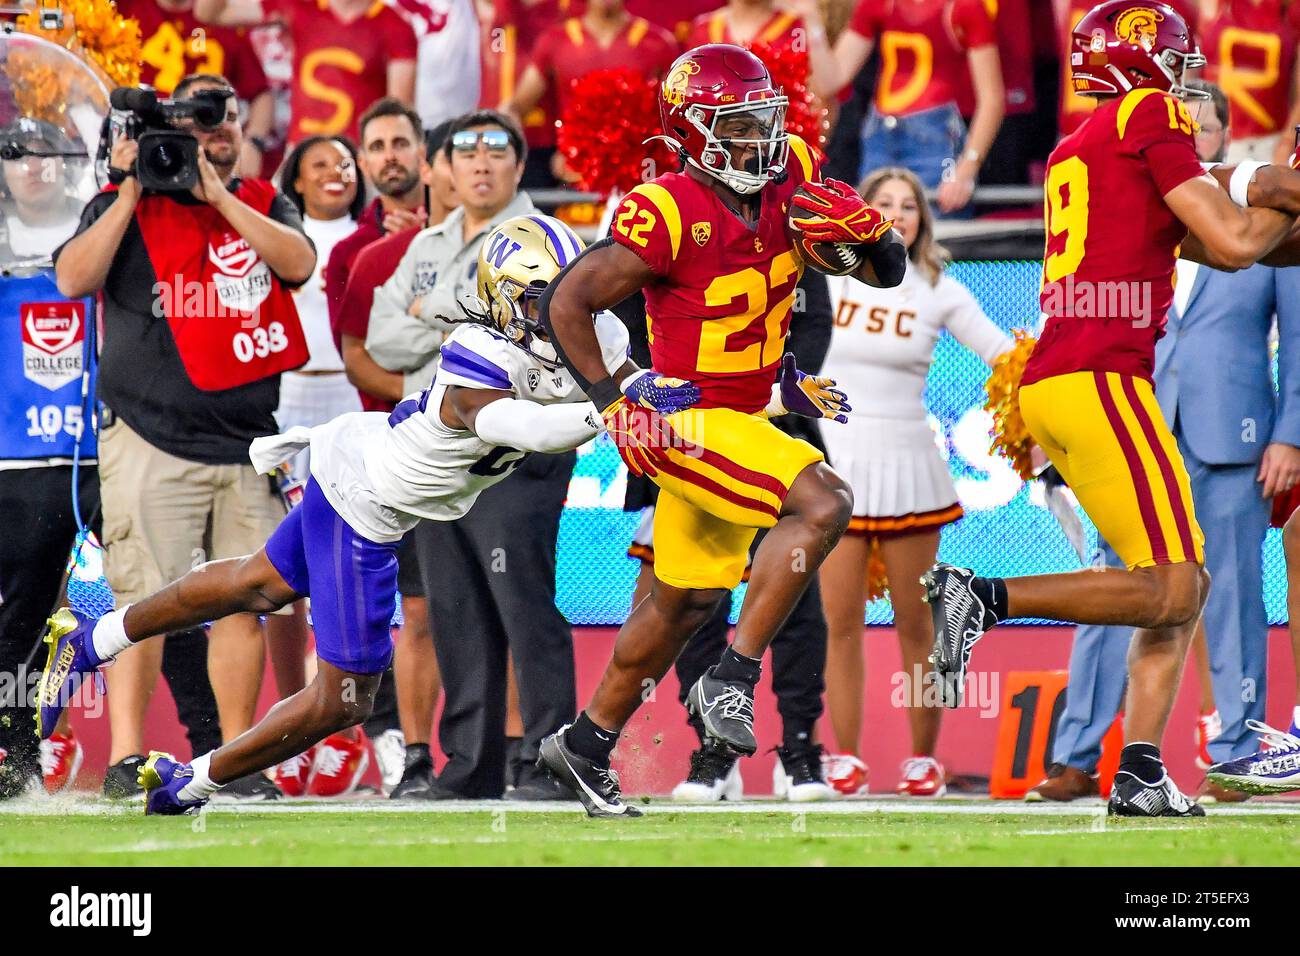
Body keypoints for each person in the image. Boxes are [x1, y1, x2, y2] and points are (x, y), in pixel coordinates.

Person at [35, 215, 632, 815]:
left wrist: (655, 390)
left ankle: (95, 637)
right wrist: (617, 404)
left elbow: (638, 381)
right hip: (368, 502)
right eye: (544, 297)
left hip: (368, 464)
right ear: (504, 298)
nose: (564, 308)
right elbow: (534, 427)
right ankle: (187, 785)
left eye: (572, 289)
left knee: (258, 583)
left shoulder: (596, 330)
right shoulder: (478, 352)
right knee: (342, 699)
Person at [921, 1, 1300, 818]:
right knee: (1173, 585)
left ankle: (1136, 773)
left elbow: (1218, 245)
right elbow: (1239, 243)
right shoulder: (1147, 113)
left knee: (1174, 584)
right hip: (1102, 378)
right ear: (1144, 67)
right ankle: (983, 599)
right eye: (1172, 63)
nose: (1182, 83)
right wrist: (1282, 188)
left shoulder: (1084, 143)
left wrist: (1282, 209)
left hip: (1065, 381)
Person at [535, 44, 905, 817]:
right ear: (693, 131)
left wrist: (873, 239)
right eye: (736, 127)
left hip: (748, 415)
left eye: (763, 122)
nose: (757, 142)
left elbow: (885, 273)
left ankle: (584, 746)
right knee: (825, 501)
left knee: (681, 602)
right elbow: (566, 303)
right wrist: (613, 402)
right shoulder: (664, 206)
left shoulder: (792, 170)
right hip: (685, 421)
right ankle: (731, 680)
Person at [1028, 79, 1300, 804]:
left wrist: (1291, 433)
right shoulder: (1146, 137)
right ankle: (1074, 742)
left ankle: (1176, 762)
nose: (1191, 132)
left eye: (1204, 125)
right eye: (1185, 121)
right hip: (1120, 397)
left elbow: (1274, 283)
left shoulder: (1088, 161)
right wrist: (1282, 187)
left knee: (1199, 588)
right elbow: (1243, 241)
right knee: (1157, 583)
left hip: (1218, 421)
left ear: (1220, 137)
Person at [51, 73, 317, 801]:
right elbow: (73, 279)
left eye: (224, 117)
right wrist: (133, 189)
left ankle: (233, 761)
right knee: (141, 602)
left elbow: (298, 264)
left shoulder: (261, 201)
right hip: (147, 433)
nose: (213, 131)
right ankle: (126, 758)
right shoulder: (120, 204)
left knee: (243, 603)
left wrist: (218, 198)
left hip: (243, 438)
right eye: (196, 122)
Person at [365, 111, 576, 801]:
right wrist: (472, 315)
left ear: (521, 165)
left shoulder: (551, 239)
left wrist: (437, 312)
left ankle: (549, 760)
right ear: (444, 169)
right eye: (465, 150)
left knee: (521, 602)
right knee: (453, 608)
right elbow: (384, 341)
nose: (480, 162)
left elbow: (545, 324)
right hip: (443, 450)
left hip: (518, 448)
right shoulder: (424, 243)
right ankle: (471, 766)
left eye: (496, 150)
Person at [818, 166, 1012, 798]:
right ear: (862, 209)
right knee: (838, 621)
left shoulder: (938, 287)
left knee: (919, 624)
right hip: (832, 466)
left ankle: (924, 758)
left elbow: (1003, 355)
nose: (898, 214)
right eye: (885, 203)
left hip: (909, 466)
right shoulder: (824, 275)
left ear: (923, 219)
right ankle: (842, 756)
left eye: (909, 205)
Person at [336, 121, 457, 798]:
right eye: (376, 147)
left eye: (403, 145)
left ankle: (501, 750)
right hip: (400, 454)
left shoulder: (502, 247)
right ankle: (411, 754)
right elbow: (357, 355)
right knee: (413, 610)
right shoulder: (376, 258)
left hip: (480, 454)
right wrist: (434, 399)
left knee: (471, 609)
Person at [0, 116, 100, 798]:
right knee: (23, 617)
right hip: (20, 456)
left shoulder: (97, 223)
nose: (32, 166)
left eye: (45, 153)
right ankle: (17, 757)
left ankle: (200, 747)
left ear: (69, 161)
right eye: (16, 154)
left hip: (109, 446)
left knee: (158, 604)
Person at [796, 0, 1005, 214]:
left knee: (934, 235)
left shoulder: (965, 7)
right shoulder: (879, 5)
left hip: (936, 143)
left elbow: (992, 99)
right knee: (875, 235)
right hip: (879, 138)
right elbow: (830, 82)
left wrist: (967, 169)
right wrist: (811, 22)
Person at [502, 0, 678, 183]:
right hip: (574, 178)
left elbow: (678, 114)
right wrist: (511, 157)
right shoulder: (555, 40)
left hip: (639, 177)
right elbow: (515, 108)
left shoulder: (658, 43)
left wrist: (661, 158)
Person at [194, 0, 417, 144]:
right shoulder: (299, 7)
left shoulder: (395, 26)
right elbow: (210, 14)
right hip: (301, 152)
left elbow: (396, 112)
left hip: (358, 158)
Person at [118, 0, 275, 177]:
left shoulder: (220, 17)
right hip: (142, 142)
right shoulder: (124, 9)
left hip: (208, 147)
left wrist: (254, 143)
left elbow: (260, 93)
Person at [324, 99, 427, 345]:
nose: (390, 156)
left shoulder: (459, 226)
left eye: (400, 144)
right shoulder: (346, 253)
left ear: (422, 153)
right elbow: (350, 352)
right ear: (364, 164)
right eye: (378, 147)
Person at [1198, 0, 1300, 165]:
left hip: (1271, 142)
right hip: (1215, 136)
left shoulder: (1290, 10)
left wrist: (1287, 141)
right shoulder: (1213, 6)